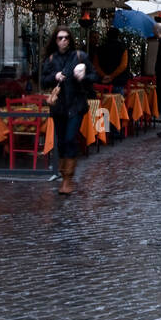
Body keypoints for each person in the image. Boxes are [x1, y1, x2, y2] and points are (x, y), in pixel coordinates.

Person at [41, 26, 96, 194]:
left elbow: (94, 77)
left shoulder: (79, 56)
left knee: (70, 138)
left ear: (70, 39)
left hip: (76, 105)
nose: (63, 40)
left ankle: (67, 180)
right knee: (61, 141)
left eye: (66, 38)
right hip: (59, 107)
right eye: (60, 38)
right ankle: (64, 174)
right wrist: (54, 76)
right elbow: (42, 80)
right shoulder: (51, 60)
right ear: (55, 40)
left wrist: (83, 77)